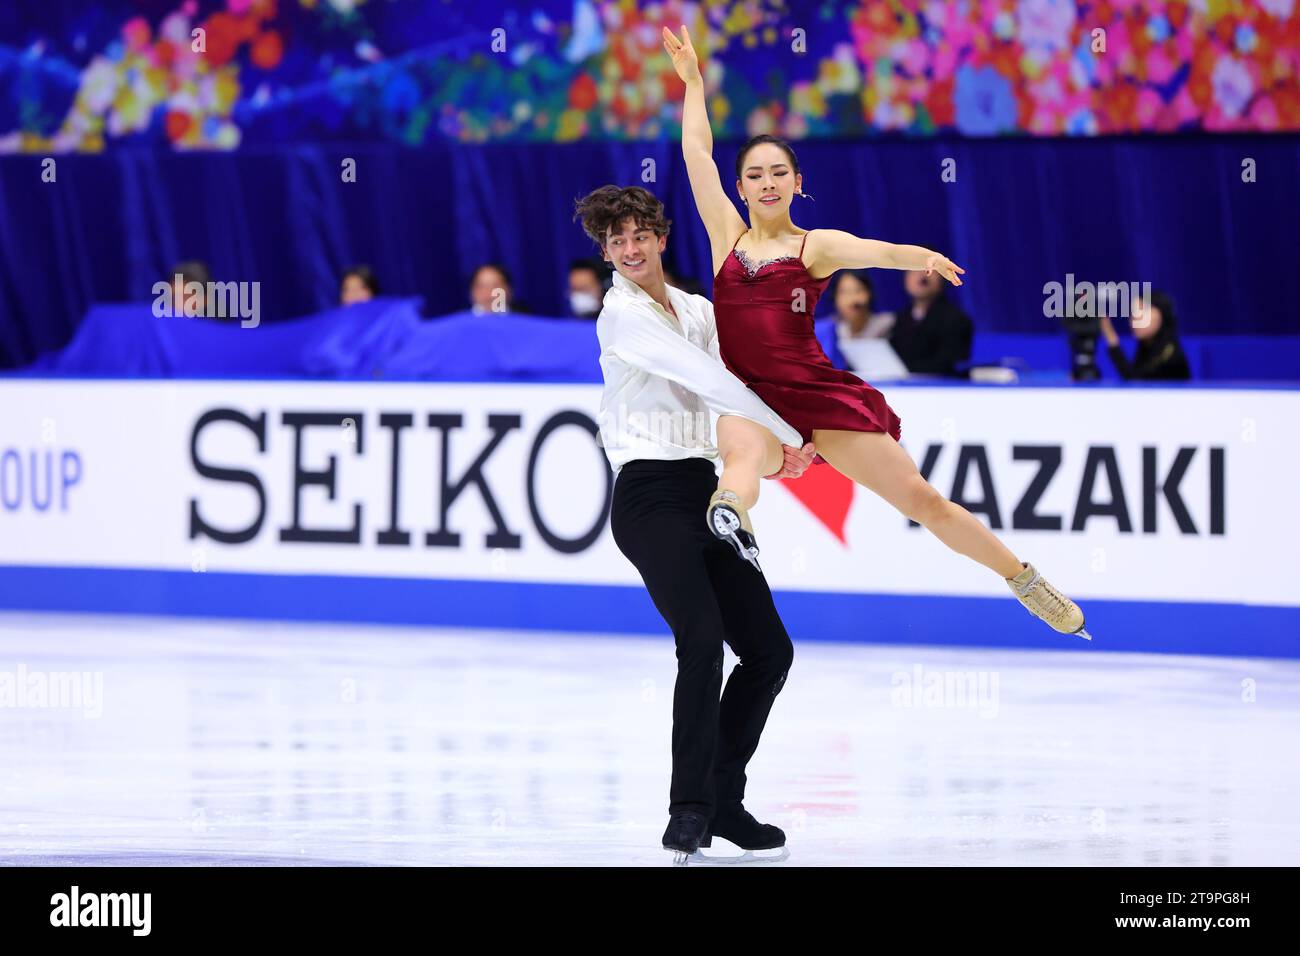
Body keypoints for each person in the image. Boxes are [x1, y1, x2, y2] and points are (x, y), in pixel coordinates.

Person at [663, 24, 1088, 642]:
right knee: (737, 455)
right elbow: (695, 155)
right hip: (747, 394)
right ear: (741, 188)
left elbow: (878, 251)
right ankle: (731, 513)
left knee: (922, 501)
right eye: (755, 175)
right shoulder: (726, 236)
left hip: (812, 392)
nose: (767, 183)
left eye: (779, 172)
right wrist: (695, 84)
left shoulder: (816, 246)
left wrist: (923, 257)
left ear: (797, 182)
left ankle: (1023, 580)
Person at [574, 183, 816, 863]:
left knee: (769, 651)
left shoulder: (696, 309)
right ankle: (689, 813)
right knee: (703, 639)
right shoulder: (620, 317)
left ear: (659, 236)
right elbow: (708, 382)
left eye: (637, 235)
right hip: (649, 495)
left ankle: (725, 799)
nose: (628, 249)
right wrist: (784, 433)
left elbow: (743, 373)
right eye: (614, 241)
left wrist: (780, 442)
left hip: (708, 488)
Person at [889, 268, 974, 375]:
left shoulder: (956, 319)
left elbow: (947, 363)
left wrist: (907, 371)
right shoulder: (900, 318)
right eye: (914, 270)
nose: (922, 276)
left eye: (929, 271)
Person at [1100, 290, 1191, 381]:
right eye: (1133, 312)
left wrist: (1112, 339)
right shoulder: (1145, 349)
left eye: (1143, 310)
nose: (1135, 317)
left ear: (1163, 314)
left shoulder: (1171, 355)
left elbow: (1137, 383)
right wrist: (1111, 337)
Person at [832, 270, 891, 340]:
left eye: (858, 291)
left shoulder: (886, 325)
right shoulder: (828, 328)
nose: (852, 299)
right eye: (845, 292)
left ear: (869, 293)